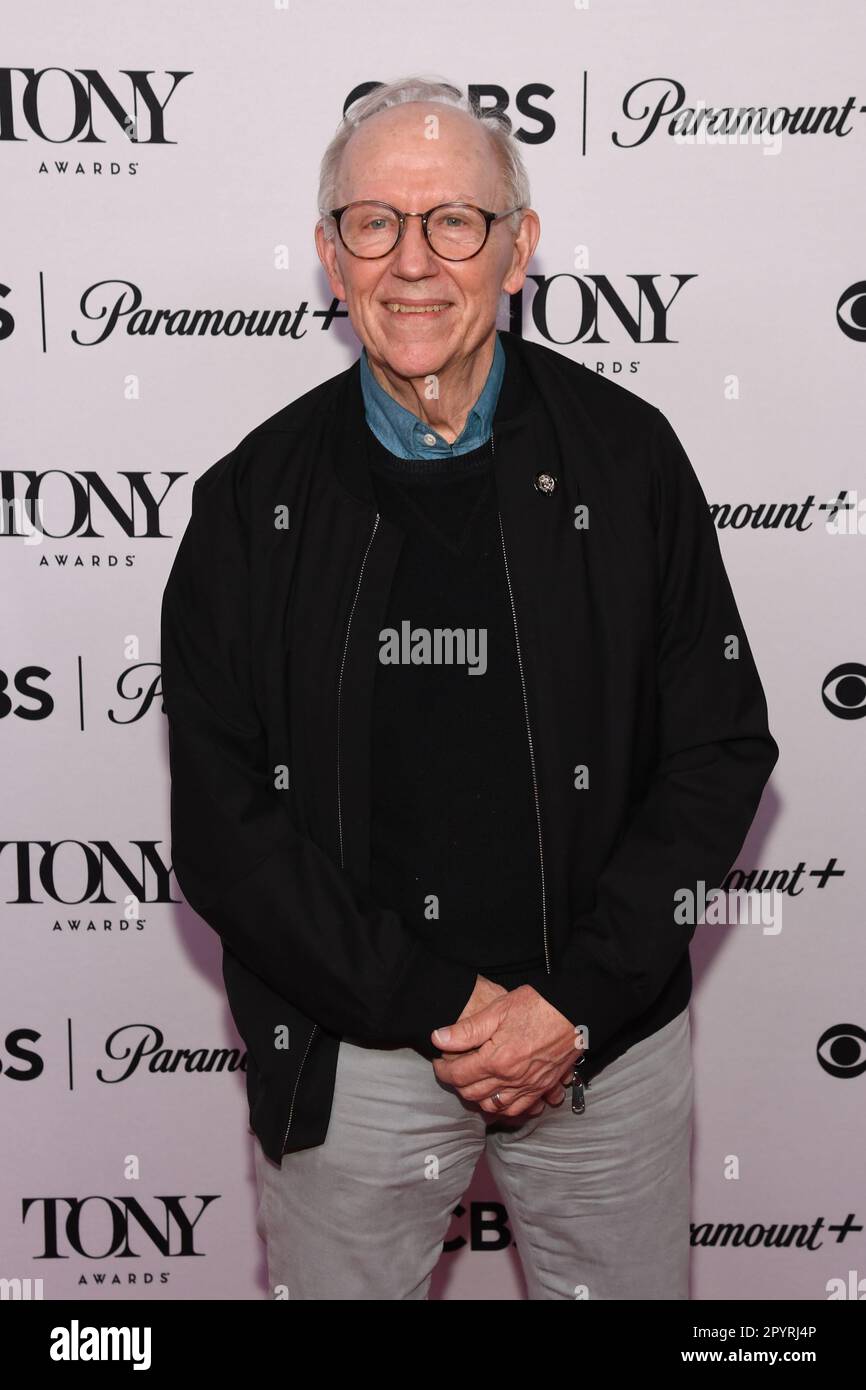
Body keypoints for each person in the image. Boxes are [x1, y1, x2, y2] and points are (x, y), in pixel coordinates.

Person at [160, 75, 779, 1300]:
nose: (413, 262)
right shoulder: (250, 500)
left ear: (518, 248)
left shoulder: (629, 456)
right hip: (352, 1054)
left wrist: (572, 1003)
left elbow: (716, 750)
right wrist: (444, 1001)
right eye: (374, 224)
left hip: (600, 1041)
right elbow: (227, 834)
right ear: (328, 256)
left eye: (454, 221)